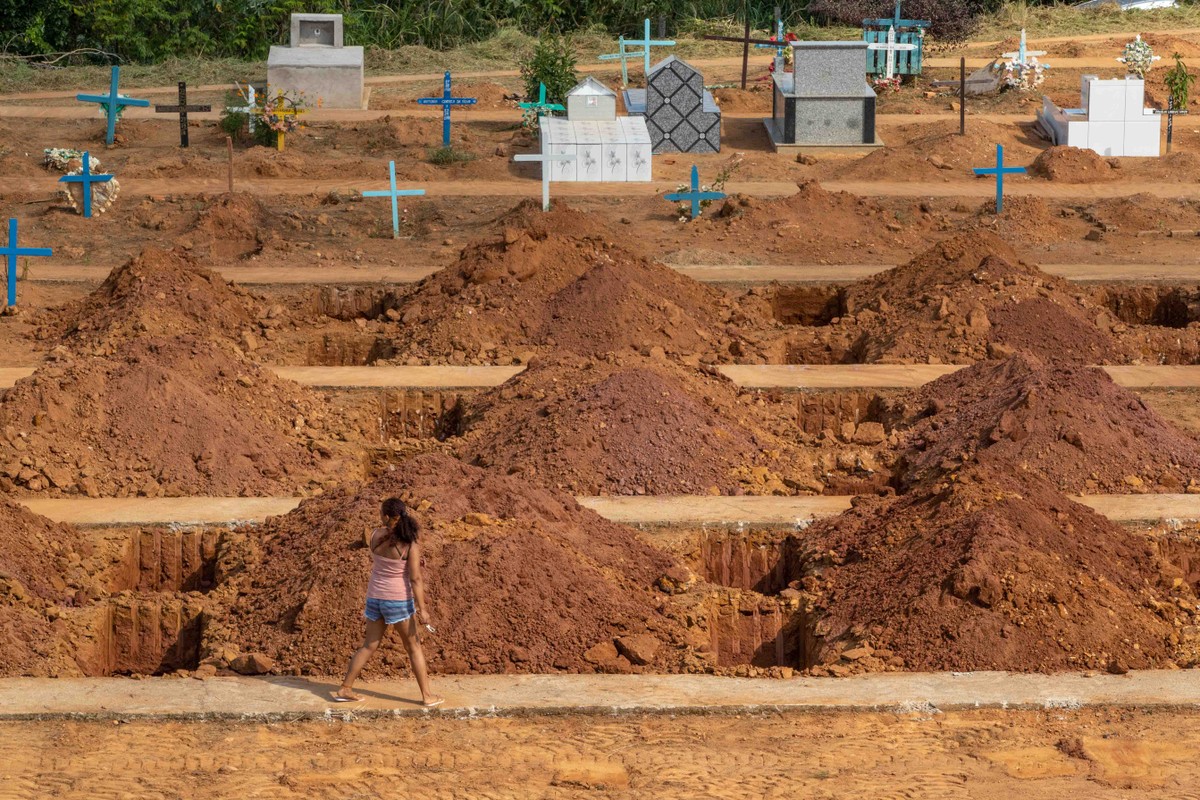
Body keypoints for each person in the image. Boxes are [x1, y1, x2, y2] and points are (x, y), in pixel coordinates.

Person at [335, 497, 443, 706]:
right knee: (413, 648)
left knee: (369, 646)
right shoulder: (409, 544)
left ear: (385, 517)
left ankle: (345, 688)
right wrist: (423, 609)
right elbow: (415, 578)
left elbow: (385, 559)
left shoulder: (375, 535)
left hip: (375, 597)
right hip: (398, 601)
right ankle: (427, 696)